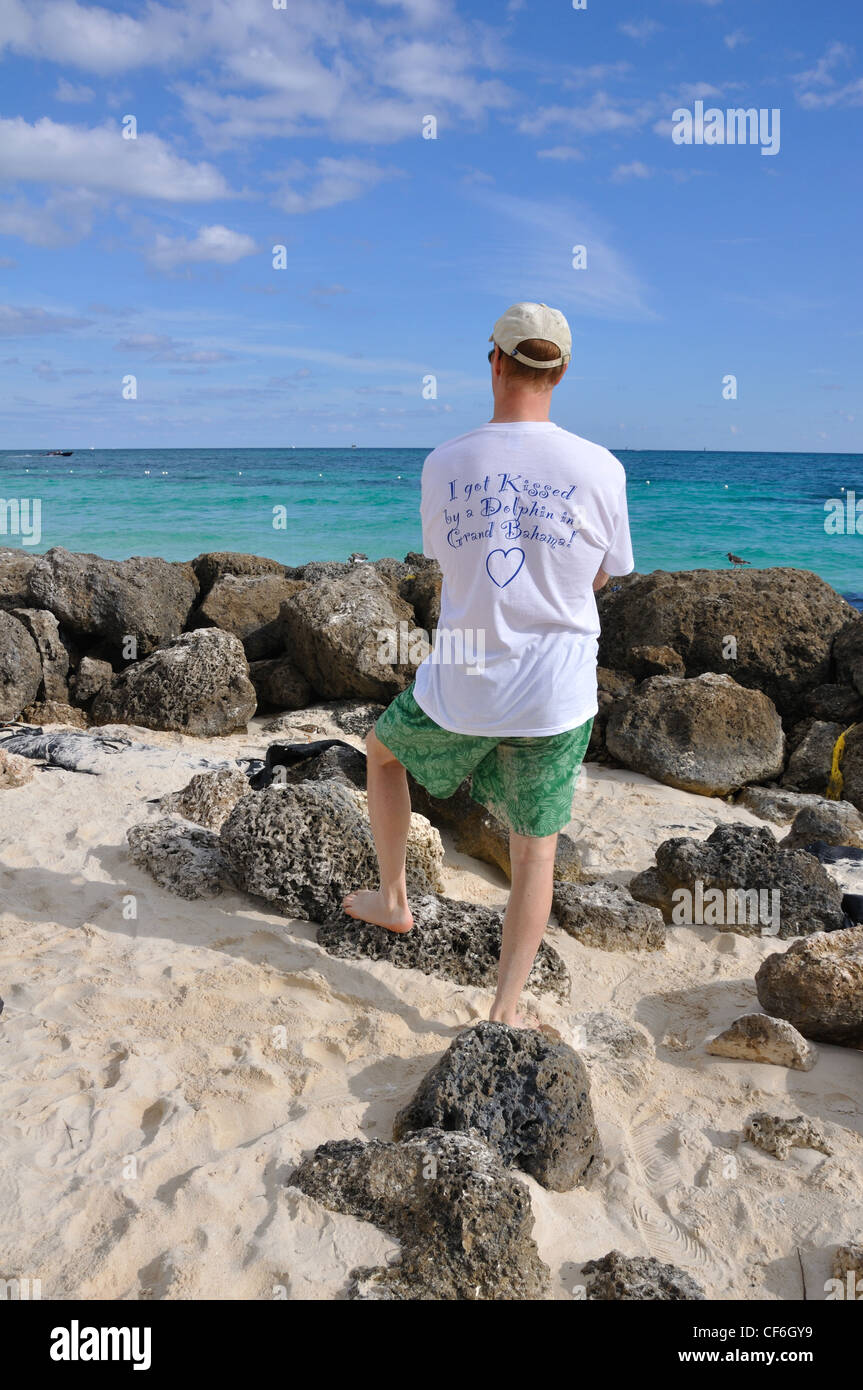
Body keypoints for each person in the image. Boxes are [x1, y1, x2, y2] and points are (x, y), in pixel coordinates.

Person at [343, 302, 634, 1026]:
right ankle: (503, 1009)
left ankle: (394, 899)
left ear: (495, 361)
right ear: (561, 371)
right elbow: (602, 576)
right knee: (534, 853)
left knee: (381, 754)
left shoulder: (446, 461)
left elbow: (453, 563)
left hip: (465, 680)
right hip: (555, 691)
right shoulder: (601, 467)